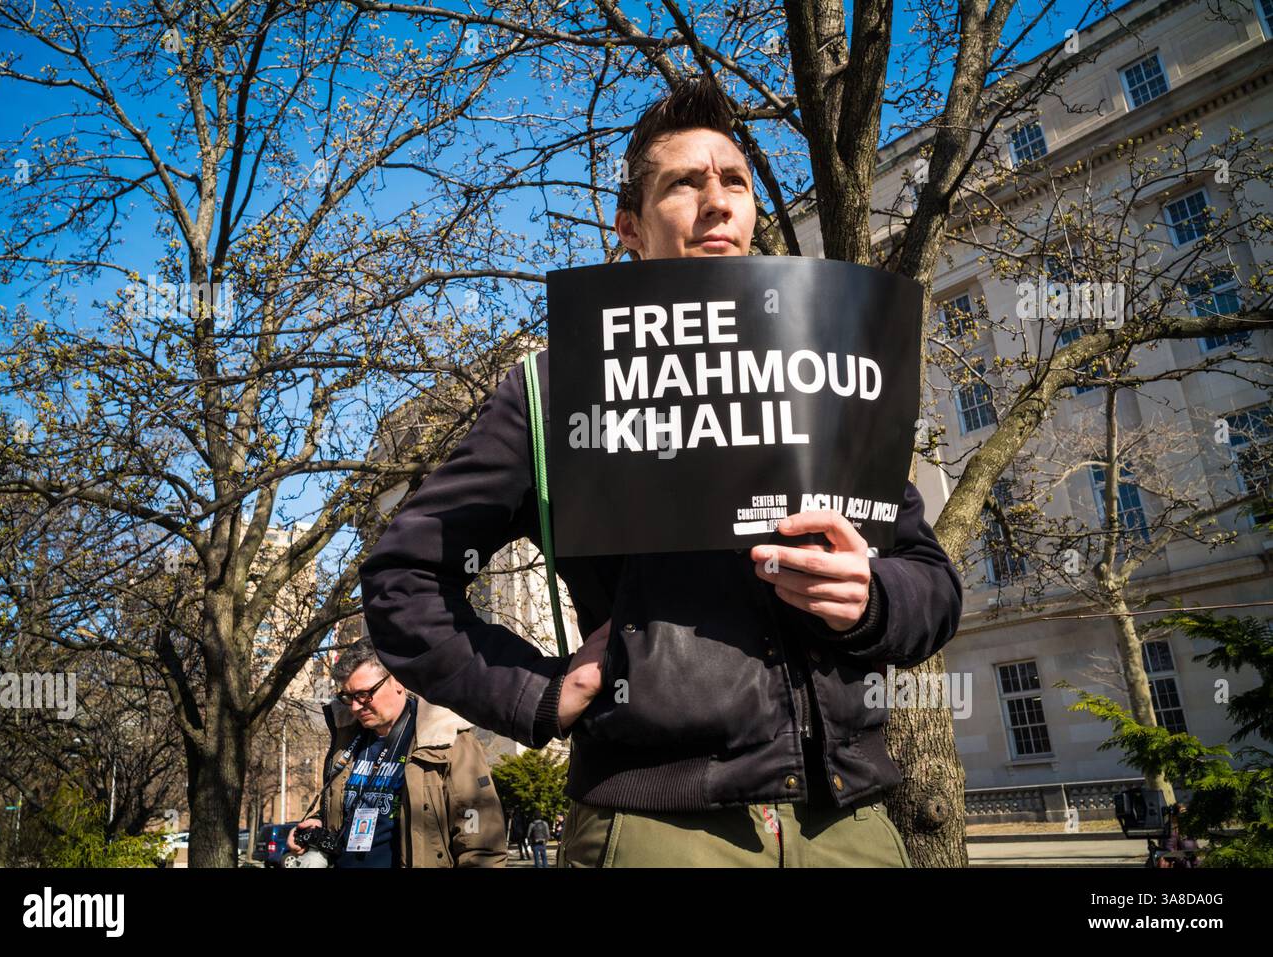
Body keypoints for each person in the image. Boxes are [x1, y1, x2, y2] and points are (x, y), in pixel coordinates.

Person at [358, 75, 963, 867]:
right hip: (657, 830)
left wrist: (873, 597)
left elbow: (934, 584)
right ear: (630, 229)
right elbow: (402, 578)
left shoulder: (824, 377)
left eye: (735, 182)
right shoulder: (560, 390)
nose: (718, 201)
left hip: (849, 824)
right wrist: (536, 692)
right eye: (685, 183)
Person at [287, 637, 507, 867]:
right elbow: (336, 808)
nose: (355, 706)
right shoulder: (348, 738)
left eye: (364, 694)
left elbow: (482, 847)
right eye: (349, 696)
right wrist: (315, 822)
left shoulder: (446, 740)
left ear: (398, 681)